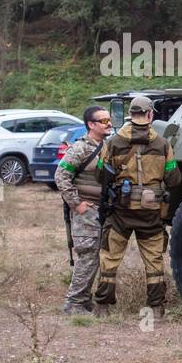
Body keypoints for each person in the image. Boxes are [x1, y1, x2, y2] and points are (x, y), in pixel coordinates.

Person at [93, 95, 181, 317]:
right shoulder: (163, 144)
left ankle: (102, 308)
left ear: (130, 115)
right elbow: (174, 180)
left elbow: (100, 175)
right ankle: (156, 308)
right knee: (154, 261)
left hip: (120, 212)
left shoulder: (113, 143)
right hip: (151, 214)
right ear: (150, 114)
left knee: (109, 258)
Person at [55, 105, 114, 315]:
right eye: (104, 121)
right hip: (86, 210)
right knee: (88, 255)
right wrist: (77, 204)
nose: (109, 124)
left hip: (101, 210)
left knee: (96, 256)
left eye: (110, 120)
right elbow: (61, 176)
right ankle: (74, 303)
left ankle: (84, 299)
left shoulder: (107, 146)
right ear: (91, 124)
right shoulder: (80, 148)